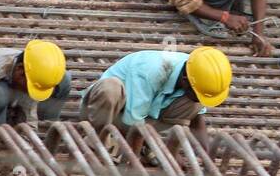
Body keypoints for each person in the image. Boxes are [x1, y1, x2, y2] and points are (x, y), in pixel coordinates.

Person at [80, 47, 231, 155]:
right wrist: (133, 160)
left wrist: (206, 156)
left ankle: (144, 144)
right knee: (111, 88)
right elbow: (135, 123)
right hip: (106, 111)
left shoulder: (195, 72)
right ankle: (99, 141)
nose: (199, 100)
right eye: (197, 94)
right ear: (185, 81)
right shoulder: (151, 71)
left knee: (192, 106)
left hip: (142, 117)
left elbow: (197, 118)